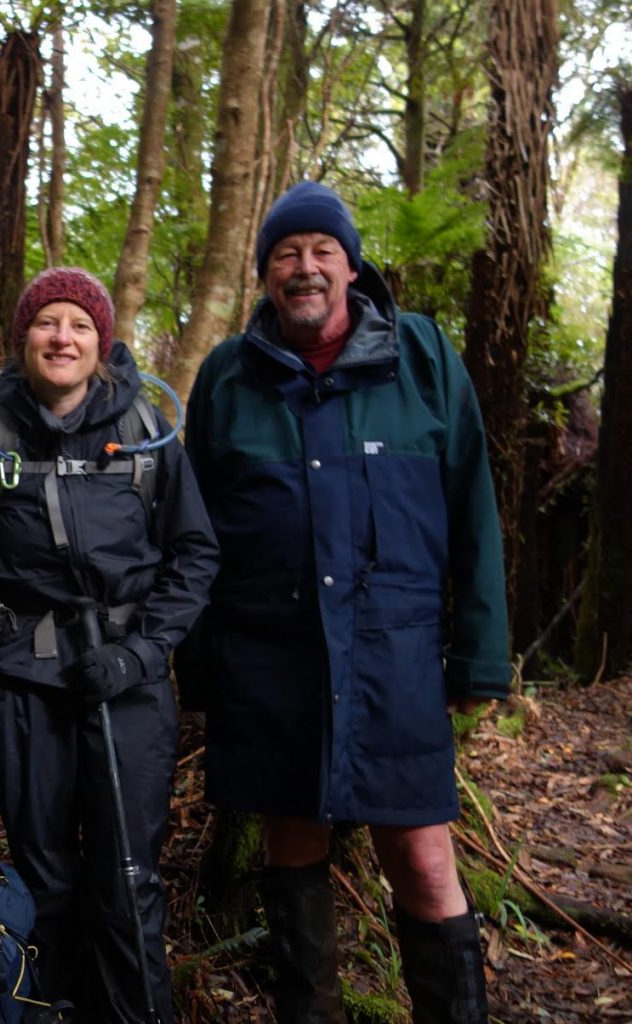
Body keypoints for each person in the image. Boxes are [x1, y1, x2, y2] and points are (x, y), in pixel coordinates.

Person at [179, 181, 509, 1023]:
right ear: (265, 277)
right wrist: (198, 666)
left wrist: (478, 655)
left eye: (322, 250)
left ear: (352, 268)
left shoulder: (424, 358)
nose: (305, 267)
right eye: (286, 254)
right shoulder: (227, 376)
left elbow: (473, 508)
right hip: (270, 657)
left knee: (425, 856)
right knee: (292, 842)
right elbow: (194, 534)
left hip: (393, 658)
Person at [0, 267, 220, 1022]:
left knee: (128, 875)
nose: (62, 337)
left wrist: (143, 652)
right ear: (25, 338)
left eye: (79, 324)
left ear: (101, 343)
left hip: (127, 685)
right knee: (43, 877)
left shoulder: (145, 434)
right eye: (48, 323)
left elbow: (196, 554)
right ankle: (53, 1007)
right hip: (20, 685)